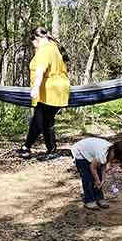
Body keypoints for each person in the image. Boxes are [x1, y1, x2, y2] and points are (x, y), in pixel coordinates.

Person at [18, 26, 70, 160]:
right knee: (41, 120)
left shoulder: (44, 51)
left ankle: (44, 149)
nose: (33, 46)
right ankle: (32, 147)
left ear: (37, 38)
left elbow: (40, 70)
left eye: (33, 43)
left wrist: (35, 88)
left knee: (42, 121)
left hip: (49, 91)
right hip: (59, 89)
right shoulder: (54, 47)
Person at [71, 136, 122, 210]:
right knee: (87, 177)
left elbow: (102, 166)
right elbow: (92, 167)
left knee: (98, 177)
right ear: (114, 154)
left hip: (91, 153)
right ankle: (89, 200)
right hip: (80, 152)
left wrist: (102, 179)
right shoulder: (103, 153)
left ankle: (99, 197)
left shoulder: (111, 151)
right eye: (116, 161)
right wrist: (97, 180)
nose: (114, 162)